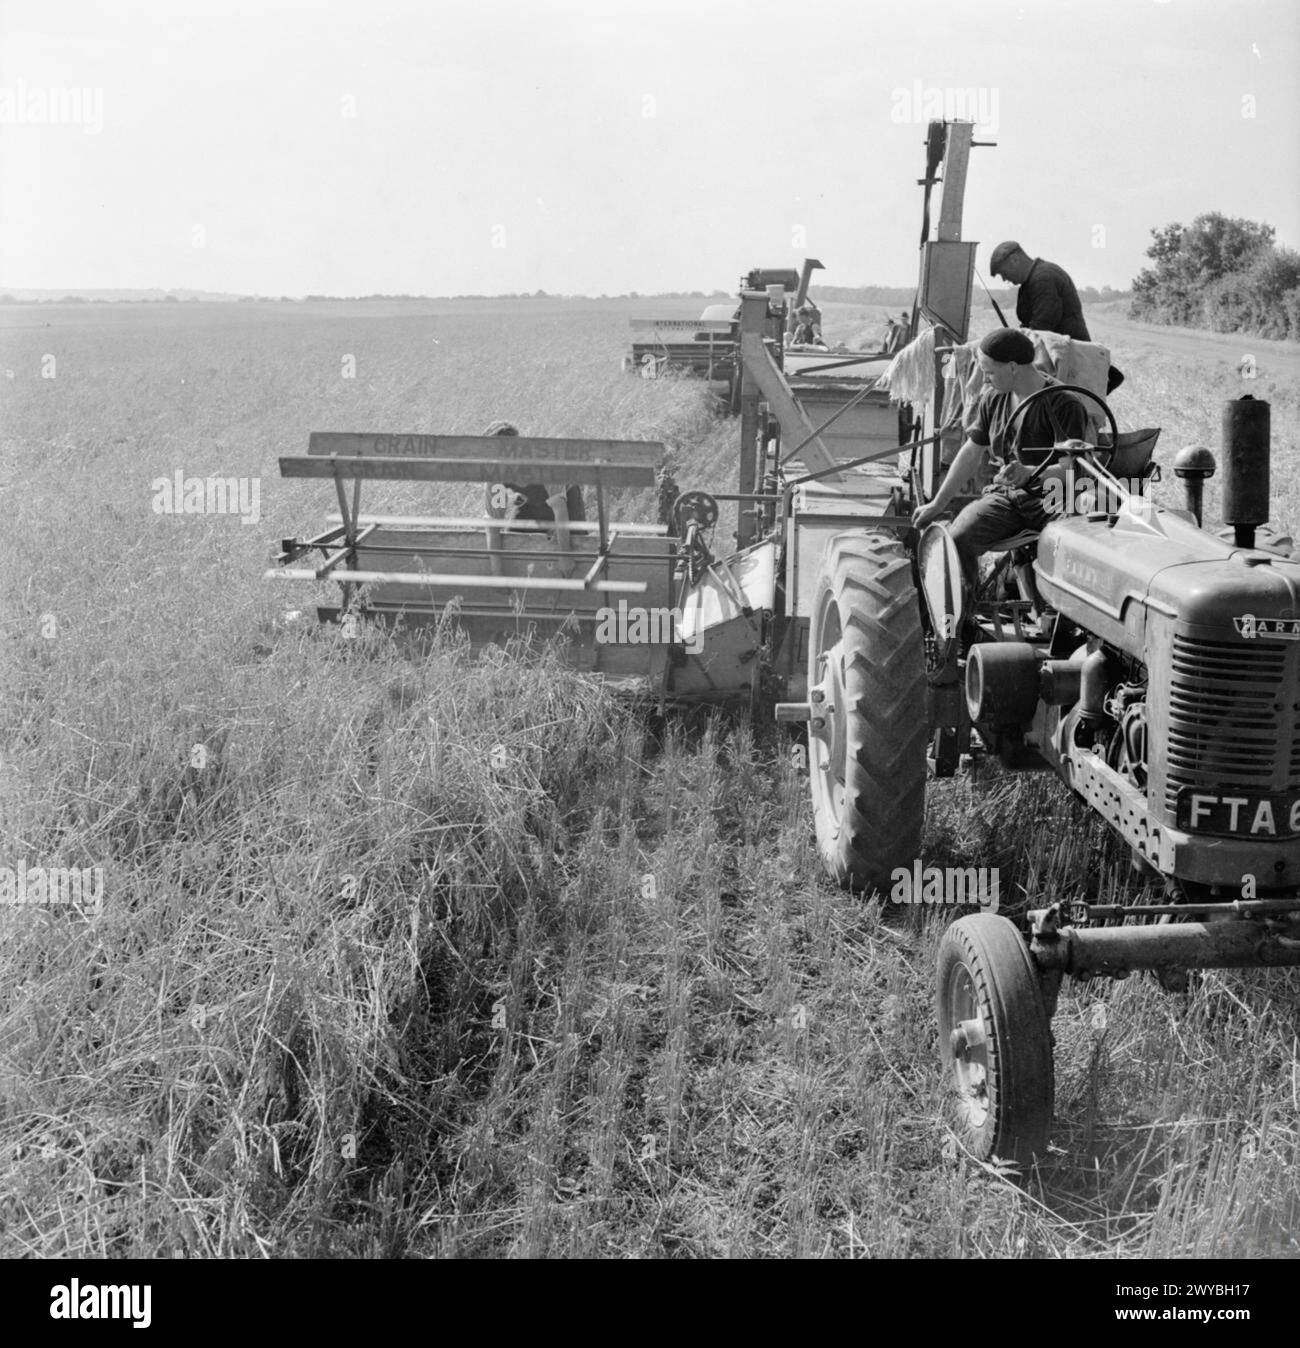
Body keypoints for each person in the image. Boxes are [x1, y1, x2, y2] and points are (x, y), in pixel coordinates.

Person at [912, 328, 1087, 591]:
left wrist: (1030, 472)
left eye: (989, 372)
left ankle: (1057, 618)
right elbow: (972, 452)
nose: (984, 378)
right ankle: (964, 617)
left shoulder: (1064, 404)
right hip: (1007, 498)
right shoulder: (993, 398)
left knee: (1066, 548)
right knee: (959, 539)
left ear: (1013, 367)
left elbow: (1073, 470)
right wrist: (938, 504)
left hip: (1054, 500)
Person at [482, 420, 585, 527]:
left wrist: (563, 542)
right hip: (531, 502)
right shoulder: (495, 473)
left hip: (566, 499)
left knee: (575, 540)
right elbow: (494, 520)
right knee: (514, 539)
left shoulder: (545, 464)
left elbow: (560, 510)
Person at [989, 241, 1091, 343]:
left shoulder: (1043, 278)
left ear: (1015, 260)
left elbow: (1041, 328)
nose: (1004, 279)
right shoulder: (1030, 282)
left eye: (1004, 273)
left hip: (1070, 353)